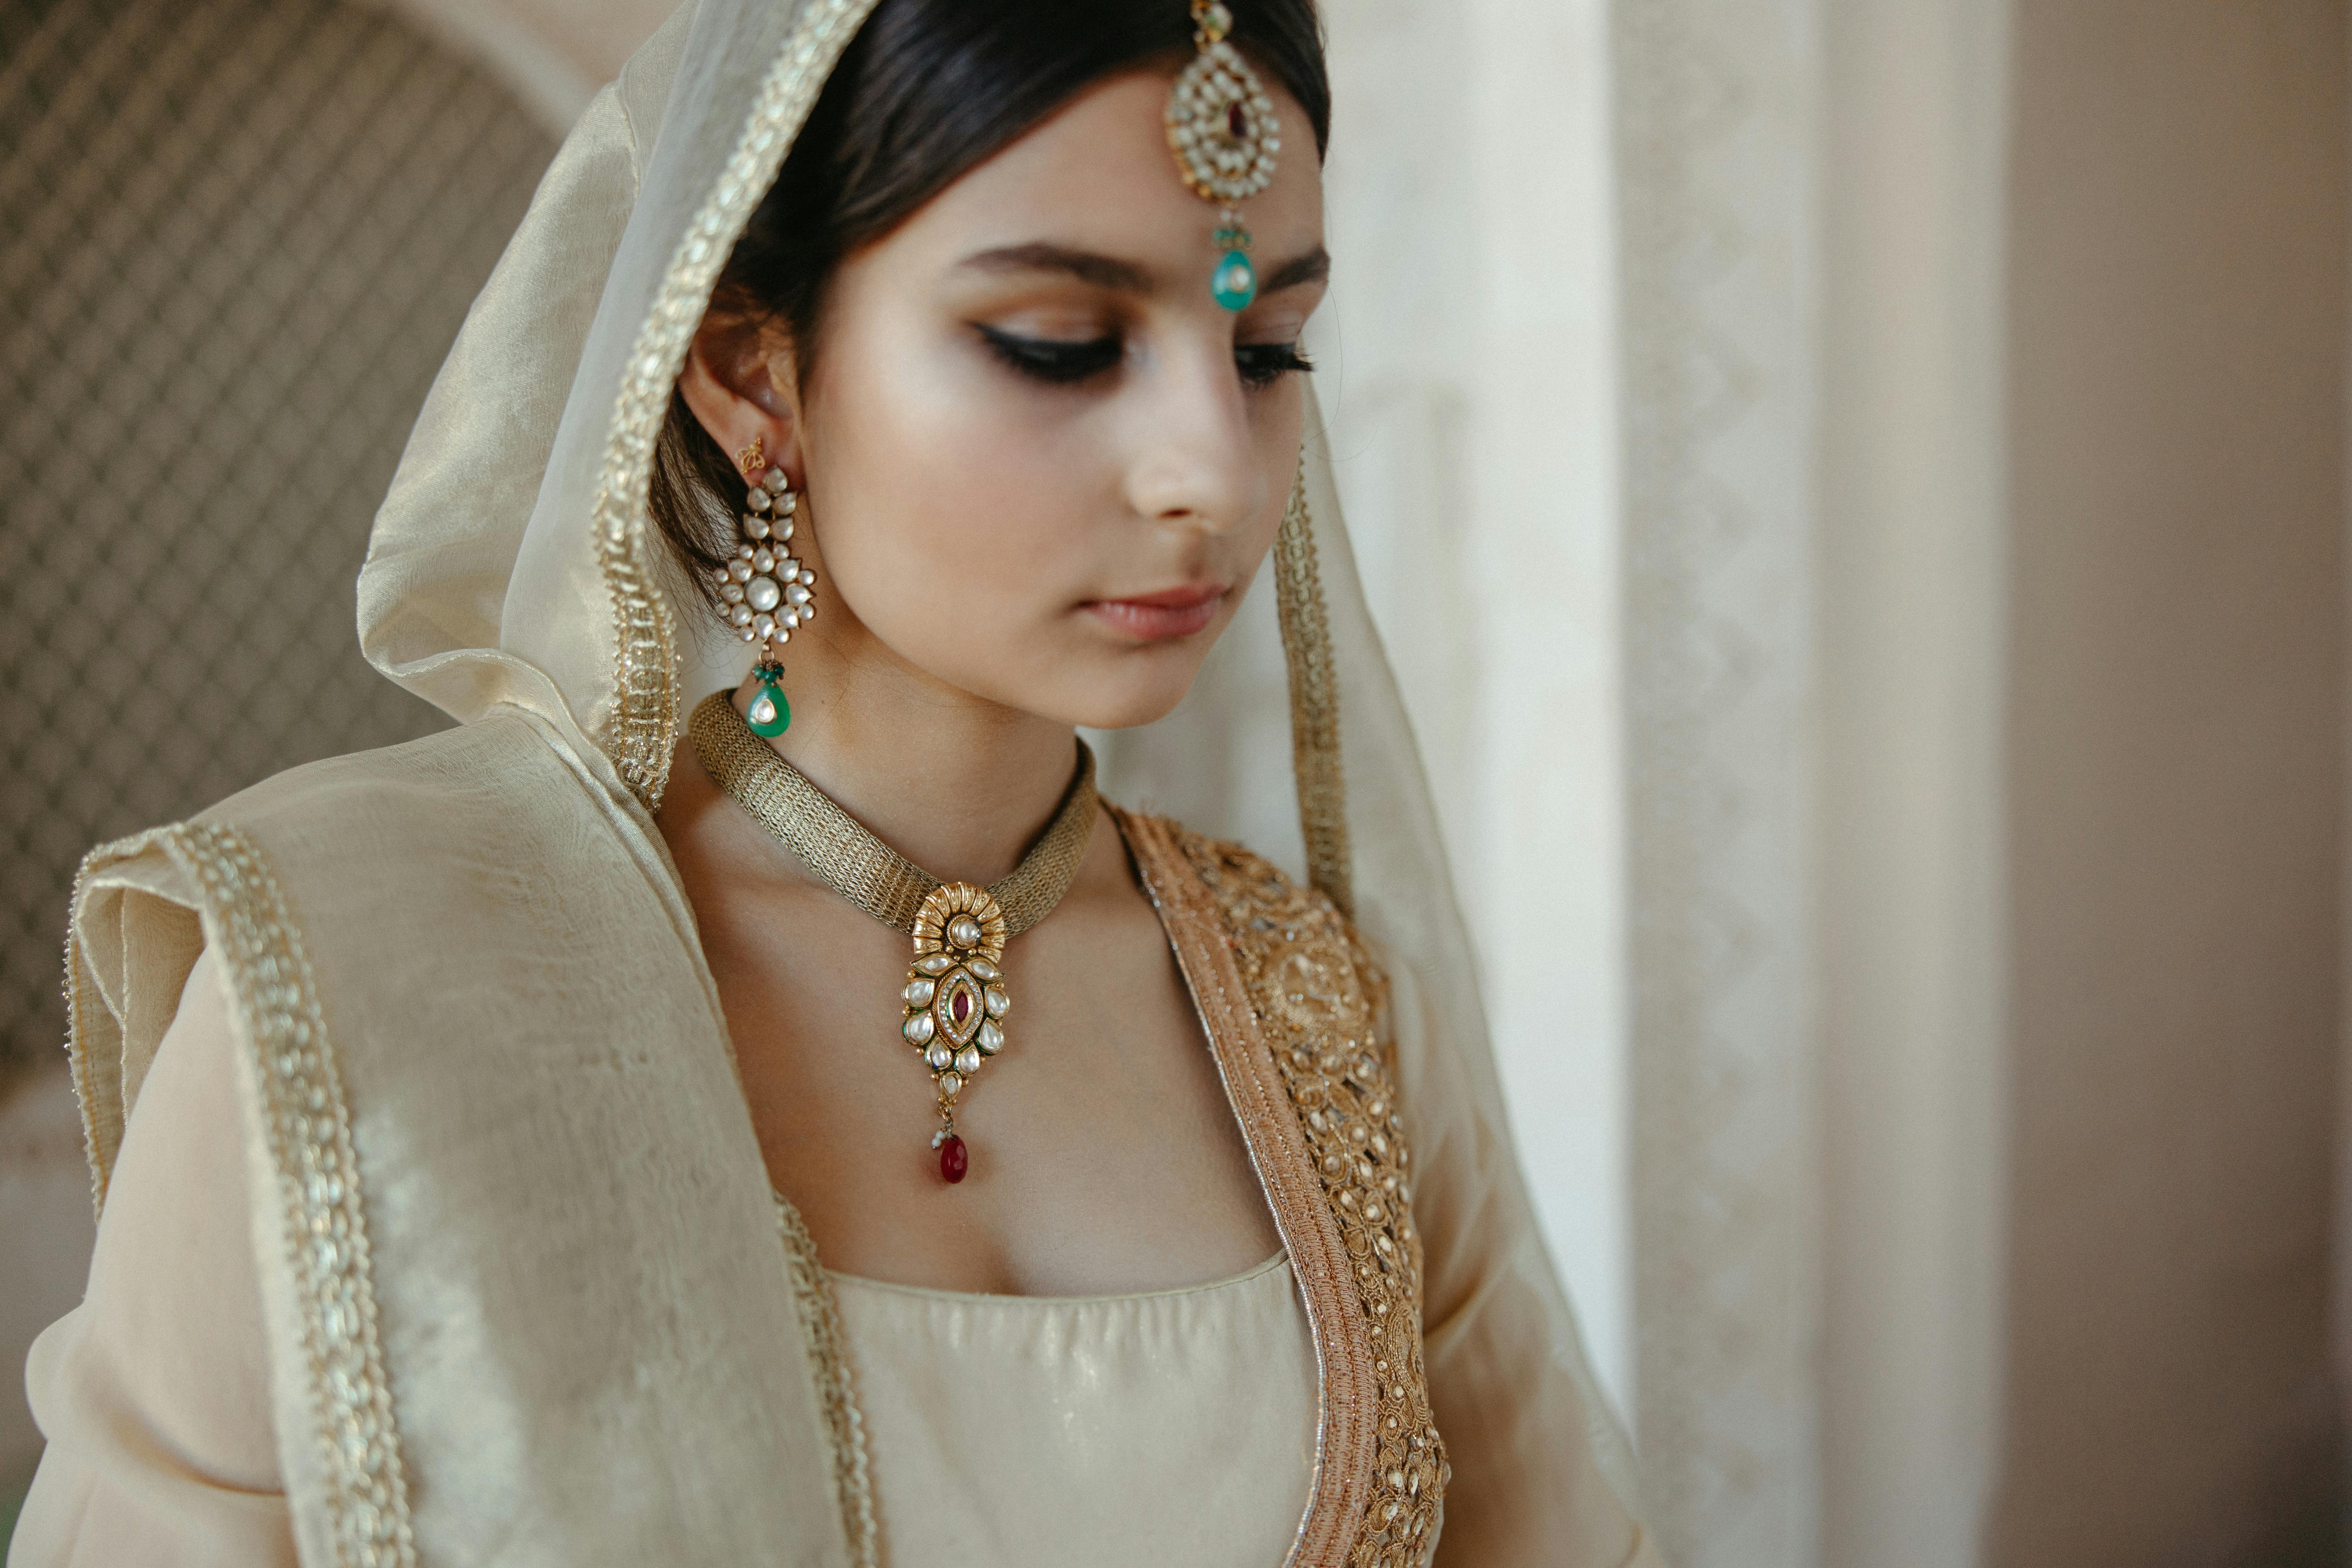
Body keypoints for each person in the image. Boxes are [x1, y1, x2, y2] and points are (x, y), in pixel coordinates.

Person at [11, 1, 1659, 1563]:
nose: (1212, 471)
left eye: (1269, 348)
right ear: (751, 371)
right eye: (1063, 343)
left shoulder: (1332, 1030)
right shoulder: (355, 998)